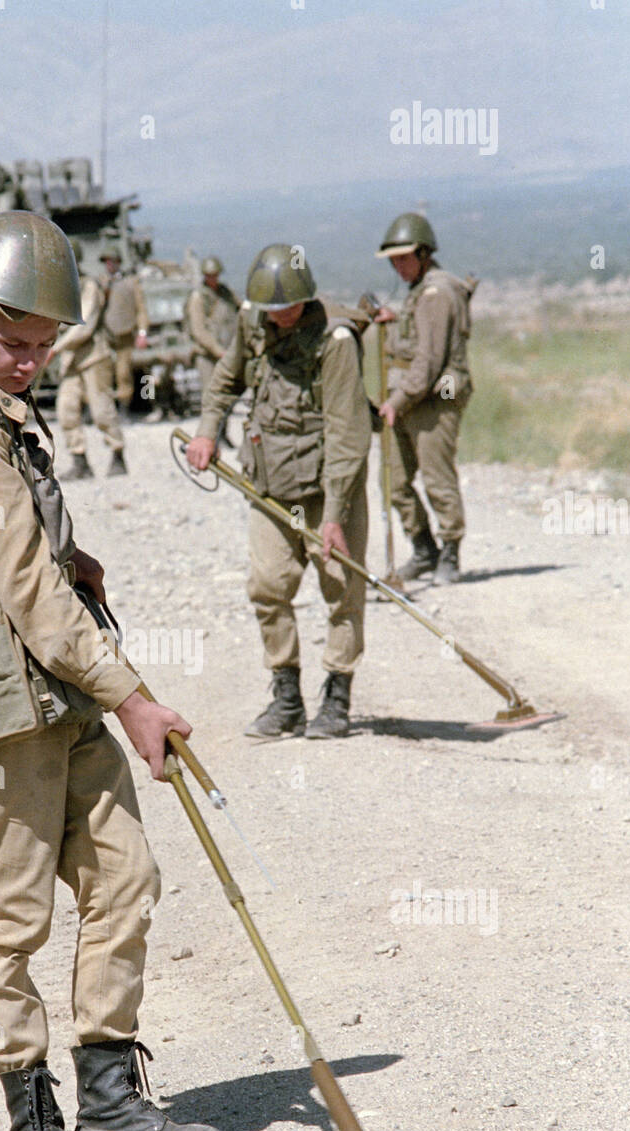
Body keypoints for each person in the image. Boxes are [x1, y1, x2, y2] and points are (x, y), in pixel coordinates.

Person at [0, 211, 225, 1131]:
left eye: (45, 344)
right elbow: (27, 593)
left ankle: (115, 1110)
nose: (31, 360)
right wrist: (136, 700)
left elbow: (27, 566)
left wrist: (69, 563)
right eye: (13, 342)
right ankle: (36, 1129)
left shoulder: (1, 411)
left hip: (59, 692)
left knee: (125, 881)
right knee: (8, 923)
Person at [185, 243, 371, 739]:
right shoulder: (253, 323)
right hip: (270, 486)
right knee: (267, 587)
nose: (277, 318)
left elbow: (348, 435)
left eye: (286, 309)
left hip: (330, 488)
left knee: (343, 590)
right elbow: (226, 380)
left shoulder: (336, 342)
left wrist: (334, 514)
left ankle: (337, 695)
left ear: (307, 300)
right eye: (269, 310)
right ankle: (286, 697)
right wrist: (207, 430)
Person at [374, 213, 474, 584]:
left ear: (423, 253)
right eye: (393, 260)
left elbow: (430, 363)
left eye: (404, 258)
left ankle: (450, 552)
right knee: (394, 482)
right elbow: (418, 339)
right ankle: (424, 549)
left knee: (436, 476)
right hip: (409, 395)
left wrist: (396, 402)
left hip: (435, 397)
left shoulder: (438, 292)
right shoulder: (421, 291)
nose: (398, 267)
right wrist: (393, 318)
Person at [49, 240, 127, 479]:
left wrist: (55, 349)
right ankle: (80, 460)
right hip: (71, 360)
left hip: (93, 356)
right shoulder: (56, 288)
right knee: (66, 409)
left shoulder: (88, 286)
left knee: (102, 410)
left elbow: (84, 326)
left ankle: (117, 455)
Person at [99, 245, 149, 419]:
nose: (109, 265)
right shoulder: (101, 283)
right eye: (107, 262)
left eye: (112, 261)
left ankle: (126, 407)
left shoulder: (131, 282)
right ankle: (99, 410)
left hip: (126, 335)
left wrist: (142, 333)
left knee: (124, 374)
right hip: (104, 336)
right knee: (101, 374)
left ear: (119, 262)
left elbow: (141, 309)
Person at [185, 255, 240, 402]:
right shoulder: (198, 298)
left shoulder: (226, 293)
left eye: (215, 275)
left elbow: (240, 310)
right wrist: (217, 350)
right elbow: (199, 331)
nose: (213, 279)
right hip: (207, 354)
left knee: (226, 394)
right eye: (210, 276)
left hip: (226, 350)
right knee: (211, 396)